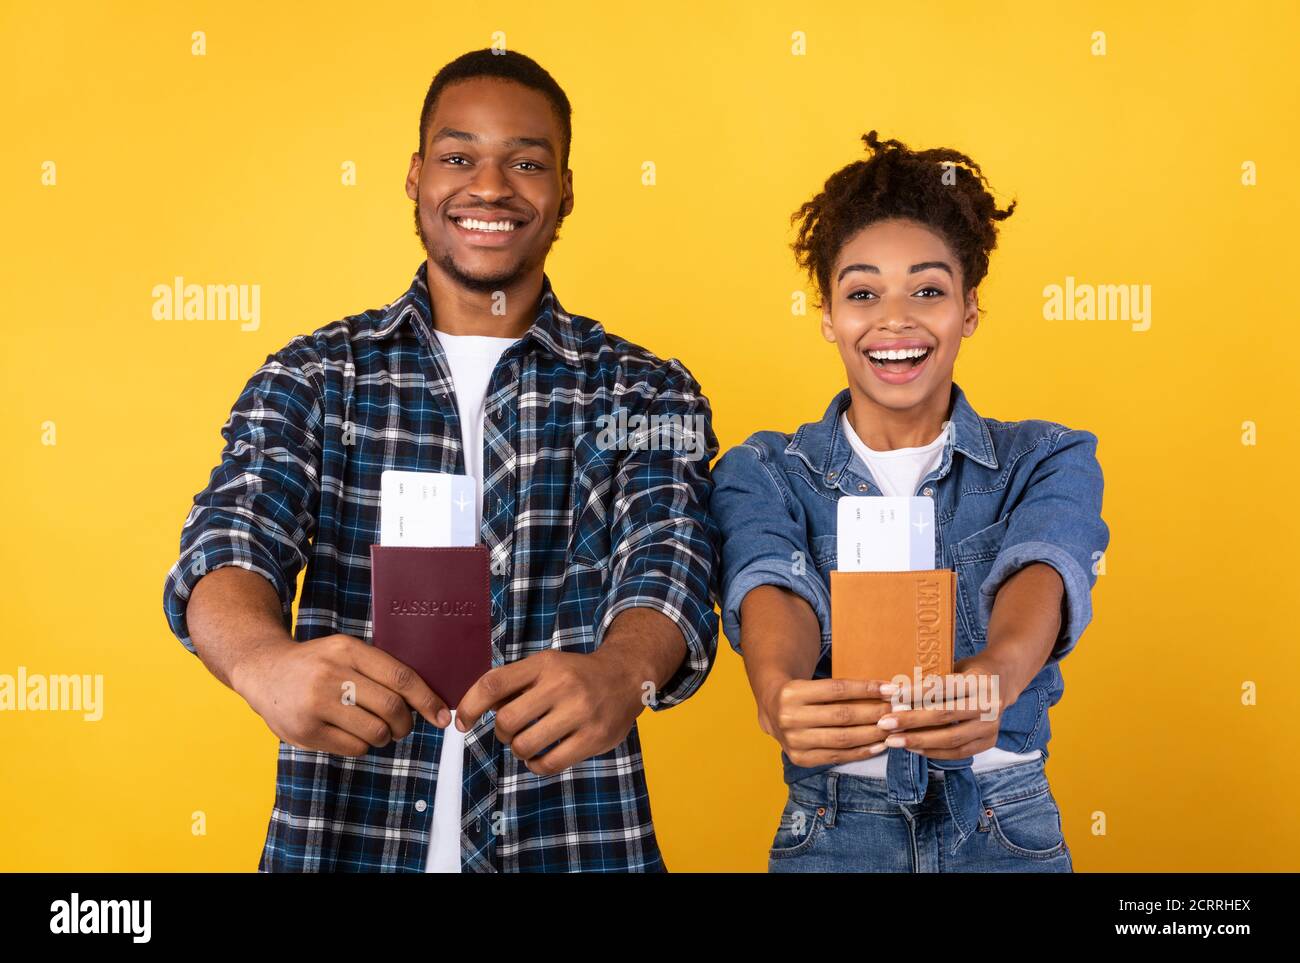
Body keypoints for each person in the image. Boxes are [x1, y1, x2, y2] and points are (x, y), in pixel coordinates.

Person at [162, 49, 719, 873]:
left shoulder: (645, 390)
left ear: (565, 190)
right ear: (418, 176)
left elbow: (669, 555)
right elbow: (232, 540)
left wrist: (623, 669)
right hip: (347, 839)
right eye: (459, 157)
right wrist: (261, 663)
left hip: (574, 840)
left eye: (527, 162)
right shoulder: (314, 376)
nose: (490, 187)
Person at [710, 131, 1109, 872]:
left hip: (1002, 821)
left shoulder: (1049, 456)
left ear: (970, 309)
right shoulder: (763, 468)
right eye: (863, 293)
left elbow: (1043, 572)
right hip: (834, 827)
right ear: (828, 313)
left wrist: (996, 672)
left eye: (928, 290)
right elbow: (771, 583)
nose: (894, 319)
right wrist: (778, 687)